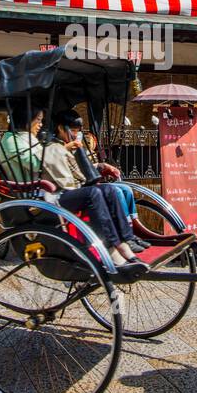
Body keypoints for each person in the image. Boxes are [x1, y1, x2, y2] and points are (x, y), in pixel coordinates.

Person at [42, 109, 148, 273]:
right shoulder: (52, 148)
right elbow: (68, 179)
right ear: (61, 129)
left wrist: (97, 164)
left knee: (109, 190)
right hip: (59, 195)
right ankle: (110, 247)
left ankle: (124, 241)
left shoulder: (72, 146)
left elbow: (83, 168)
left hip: (74, 189)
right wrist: (67, 149)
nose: (75, 134)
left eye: (77, 131)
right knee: (94, 193)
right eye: (72, 130)